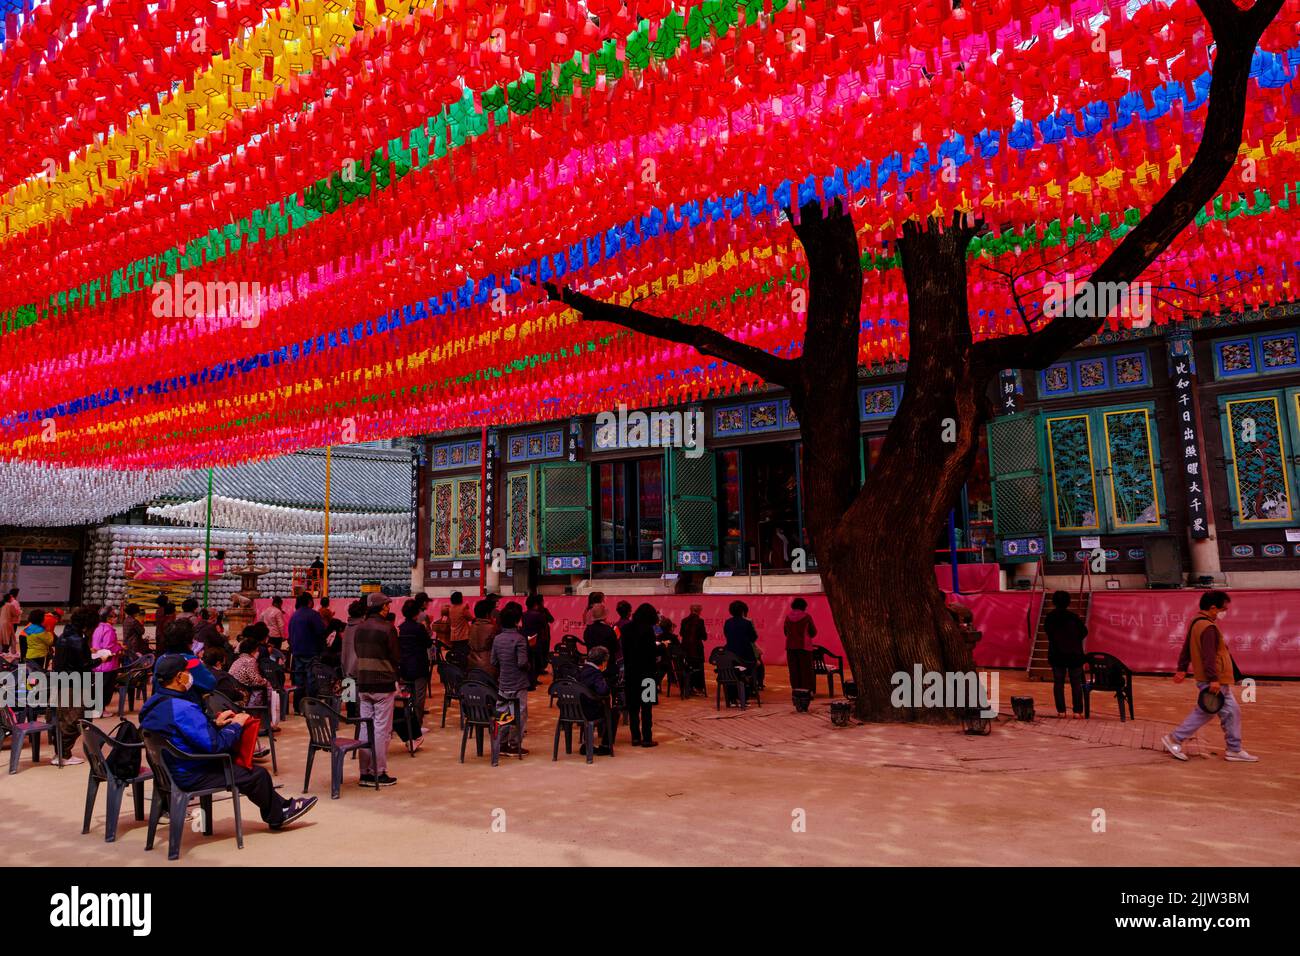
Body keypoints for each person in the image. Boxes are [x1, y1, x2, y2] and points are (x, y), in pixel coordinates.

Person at [141, 654, 317, 829]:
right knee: (257, 775)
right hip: (191, 773)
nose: (190, 675)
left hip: (169, 771)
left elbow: (179, 731)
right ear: (179, 677)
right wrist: (236, 726)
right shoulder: (183, 708)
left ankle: (283, 806)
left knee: (247, 772)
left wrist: (213, 723)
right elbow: (216, 746)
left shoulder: (153, 704)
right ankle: (278, 816)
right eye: (187, 671)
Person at [1163, 591, 1258, 763]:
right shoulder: (1208, 628)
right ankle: (1174, 739)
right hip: (1214, 680)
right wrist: (1214, 679)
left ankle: (1234, 749)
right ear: (1213, 608)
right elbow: (1209, 656)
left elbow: (1186, 648)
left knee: (1230, 712)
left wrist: (1181, 668)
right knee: (1206, 712)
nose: (1225, 612)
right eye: (1224, 609)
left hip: (1213, 679)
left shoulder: (1196, 622)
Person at [354, 593, 400, 786]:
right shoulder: (388, 629)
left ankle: (364, 772)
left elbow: (358, 652)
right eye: (387, 605)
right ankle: (379, 772)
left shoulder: (359, 629)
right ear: (382, 608)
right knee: (382, 729)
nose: (388, 608)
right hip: (383, 684)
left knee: (365, 726)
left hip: (363, 683)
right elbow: (395, 656)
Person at [50, 606, 98, 767]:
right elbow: (84, 664)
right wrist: (101, 659)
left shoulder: (65, 635)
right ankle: (63, 754)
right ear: (87, 625)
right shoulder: (78, 640)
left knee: (65, 719)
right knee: (75, 719)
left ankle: (61, 753)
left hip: (61, 681)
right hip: (73, 684)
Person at [490, 602, 531, 755]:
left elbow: (493, 662)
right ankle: (514, 745)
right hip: (519, 682)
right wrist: (529, 666)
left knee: (502, 713)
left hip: (503, 682)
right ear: (516, 621)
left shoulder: (497, 639)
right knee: (519, 714)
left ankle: (501, 744)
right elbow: (522, 663)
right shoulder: (520, 639)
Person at [621, 603, 660, 747]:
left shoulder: (625, 629)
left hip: (631, 673)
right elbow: (651, 653)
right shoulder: (648, 631)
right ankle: (647, 738)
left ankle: (635, 737)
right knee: (646, 706)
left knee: (633, 707)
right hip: (647, 673)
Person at [1044, 591, 1087, 718]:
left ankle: (1061, 711)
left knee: (1058, 683)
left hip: (1057, 654)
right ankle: (1077, 712)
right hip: (1074, 655)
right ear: (1068, 602)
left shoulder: (1050, 617)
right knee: (1076, 683)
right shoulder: (1073, 617)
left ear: (1054, 602)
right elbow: (1084, 632)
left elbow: (1048, 633)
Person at [153, 618, 218, 700]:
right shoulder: (191, 661)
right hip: (186, 706)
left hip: (162, 705)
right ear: (189, 640)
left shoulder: (161, 659)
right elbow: (210, 684)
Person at [398, 598, 433, 743]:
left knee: (409, 698)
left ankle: (409, 724)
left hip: (406, 666)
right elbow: (428, 643)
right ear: (415, 613)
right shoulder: (419, 628)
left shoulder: (402, 627)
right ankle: (417, 726)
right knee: (419, 698)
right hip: (419, 666)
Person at [288, 593, 327, 712]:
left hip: (297, 652)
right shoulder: (313, 614)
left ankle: (298, 707)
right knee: (311, 680)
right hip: (311, 651)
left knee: (299, 681)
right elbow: (321, 632)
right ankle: (311, 707)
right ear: (309, 601)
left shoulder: (294, 616)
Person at [578, 645, 614, 755]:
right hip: (587, 711)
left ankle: (586, 744)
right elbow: (603, 691)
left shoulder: (581, 669)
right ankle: (605, 745)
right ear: (603, 661)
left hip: (573, 710)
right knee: (613, 712)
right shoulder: (595, 672)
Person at [783, 597, 818, 699]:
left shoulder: (787, 617)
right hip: (804, 647)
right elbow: (813, 632)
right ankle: (807, 692)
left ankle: (796, 691)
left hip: (790, 647)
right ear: (804, 606)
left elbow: (785, 632)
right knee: (806, 670)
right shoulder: (807, 617)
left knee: (794, 670)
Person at [522, 593, 555, 687]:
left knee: (530, 660)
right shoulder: (540, 615)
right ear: (537, 604)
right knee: (537, 661)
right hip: (537, 640)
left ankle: (531, 680)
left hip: (527, 639)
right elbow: (546, 624)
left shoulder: (524, 614)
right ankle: (532, 680)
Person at [467, 598, 498, 680]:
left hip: (472, 663)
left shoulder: (472, 626)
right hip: (488, 665)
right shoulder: (492, 628)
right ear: (488, 614)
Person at [679, 603, 708, 692]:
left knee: (687, 666)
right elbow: (704, 637)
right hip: (696, 649)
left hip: (685, 649)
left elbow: (681, 633)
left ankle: (688, 686)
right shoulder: (700, 621)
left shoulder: (684, 620)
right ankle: (698, 686)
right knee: (698, 667)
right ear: (699, 611)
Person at [91, 606, 125, 678]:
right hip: (108, 666)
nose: (116, 617)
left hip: (97, 664)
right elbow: (109, 648)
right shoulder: (109, 630)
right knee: (106, 688)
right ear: (108, 618)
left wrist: (117, 643)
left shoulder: (97, 628)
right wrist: (120, 647)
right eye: (114, 615)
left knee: (98, 688)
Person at [447, 591, 473, 661]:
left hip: (453, 636)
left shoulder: (450, 608)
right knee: (464, 654)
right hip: (463, 635)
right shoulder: (463, 608)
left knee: (456, 655)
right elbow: (470, 618)